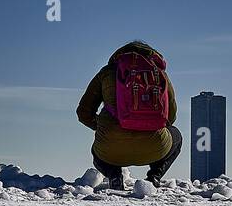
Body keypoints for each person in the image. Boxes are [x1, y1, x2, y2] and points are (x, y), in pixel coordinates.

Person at [76, 40, 182, 188]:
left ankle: (114, 176)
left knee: (97, 151)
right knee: (176, 135)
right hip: (155, 147)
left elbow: (84, 113)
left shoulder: (107, 72)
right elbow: (171, 117)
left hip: (110, 149)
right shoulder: (159, 74)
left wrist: (101, 127)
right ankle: (154, 177)